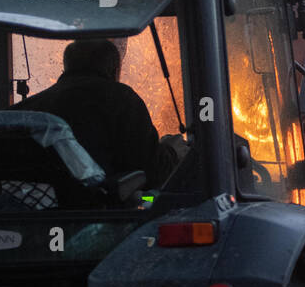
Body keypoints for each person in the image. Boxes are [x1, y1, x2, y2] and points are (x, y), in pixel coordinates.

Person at [13, 39, 180, 187]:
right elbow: (151, 172)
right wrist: (173, 152)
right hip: (110, 212)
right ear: (115, 70)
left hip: (44, 213)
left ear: (66, 66)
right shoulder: (122, 100)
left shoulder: (28, 109)